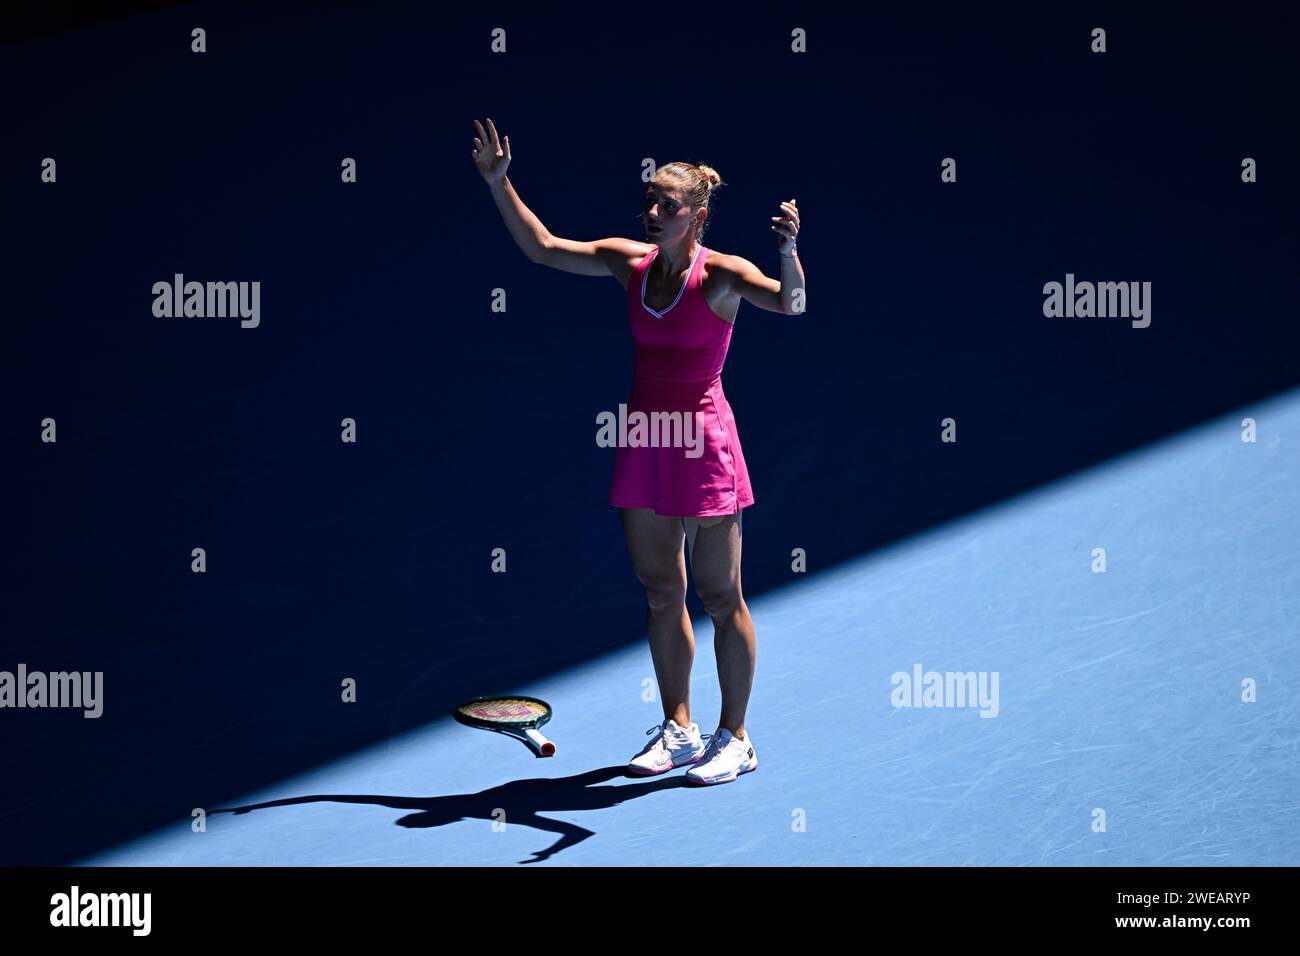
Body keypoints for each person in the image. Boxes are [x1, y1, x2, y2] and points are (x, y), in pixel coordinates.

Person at [471, 117, 804, 785]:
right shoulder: (628, 262)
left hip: (704, 442)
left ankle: (735, 736)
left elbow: (791, 305)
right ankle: (679, 729)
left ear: (698, 215)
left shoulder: (725, 276)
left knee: (720, 595)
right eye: (649, 201)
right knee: (660, 591)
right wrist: (499, 183)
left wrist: (790, 250)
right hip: (647, 438)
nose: (652, 213)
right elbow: (541, 249)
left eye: (667, 206)